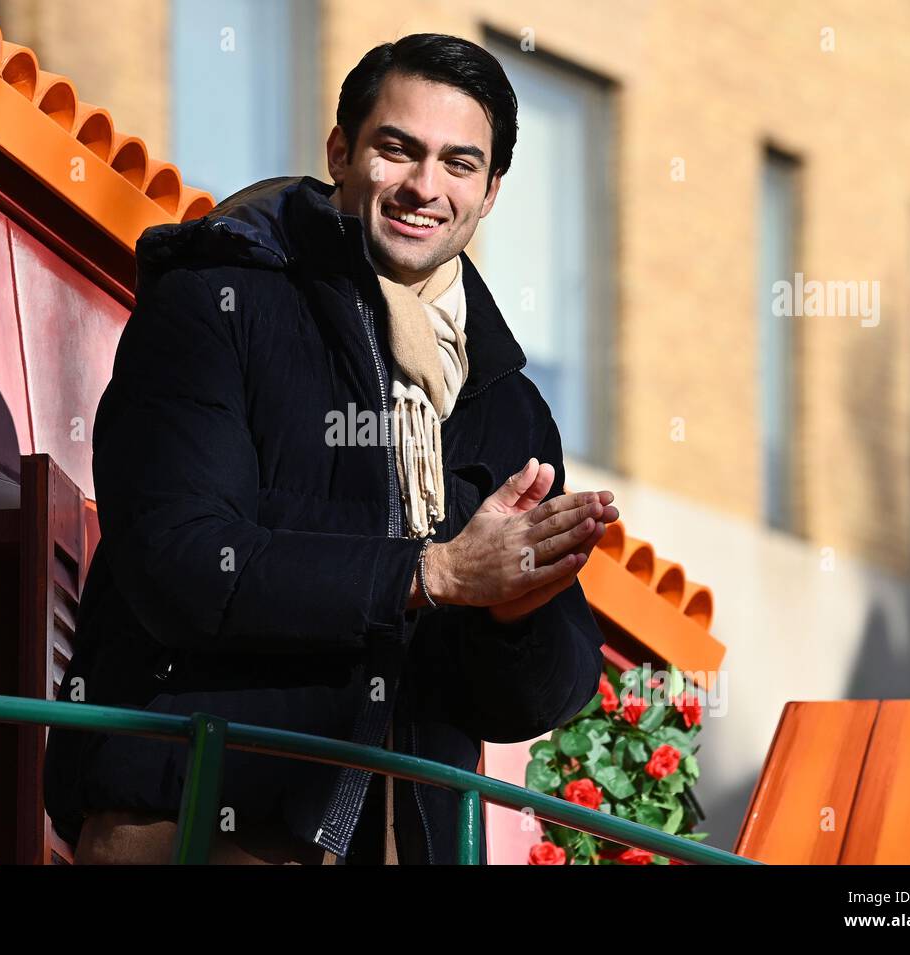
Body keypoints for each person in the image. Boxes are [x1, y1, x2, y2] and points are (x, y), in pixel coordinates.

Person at [44, 32, 615, 865]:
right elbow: (179, 560)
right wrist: (432, 574)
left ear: (490, 192)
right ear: (341, 152)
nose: (426, 187)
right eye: (398, 149)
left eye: (460, 165)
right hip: (193, 825)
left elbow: (534, 697)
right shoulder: (216, 305)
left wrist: (513, 615)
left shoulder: (506, 404)